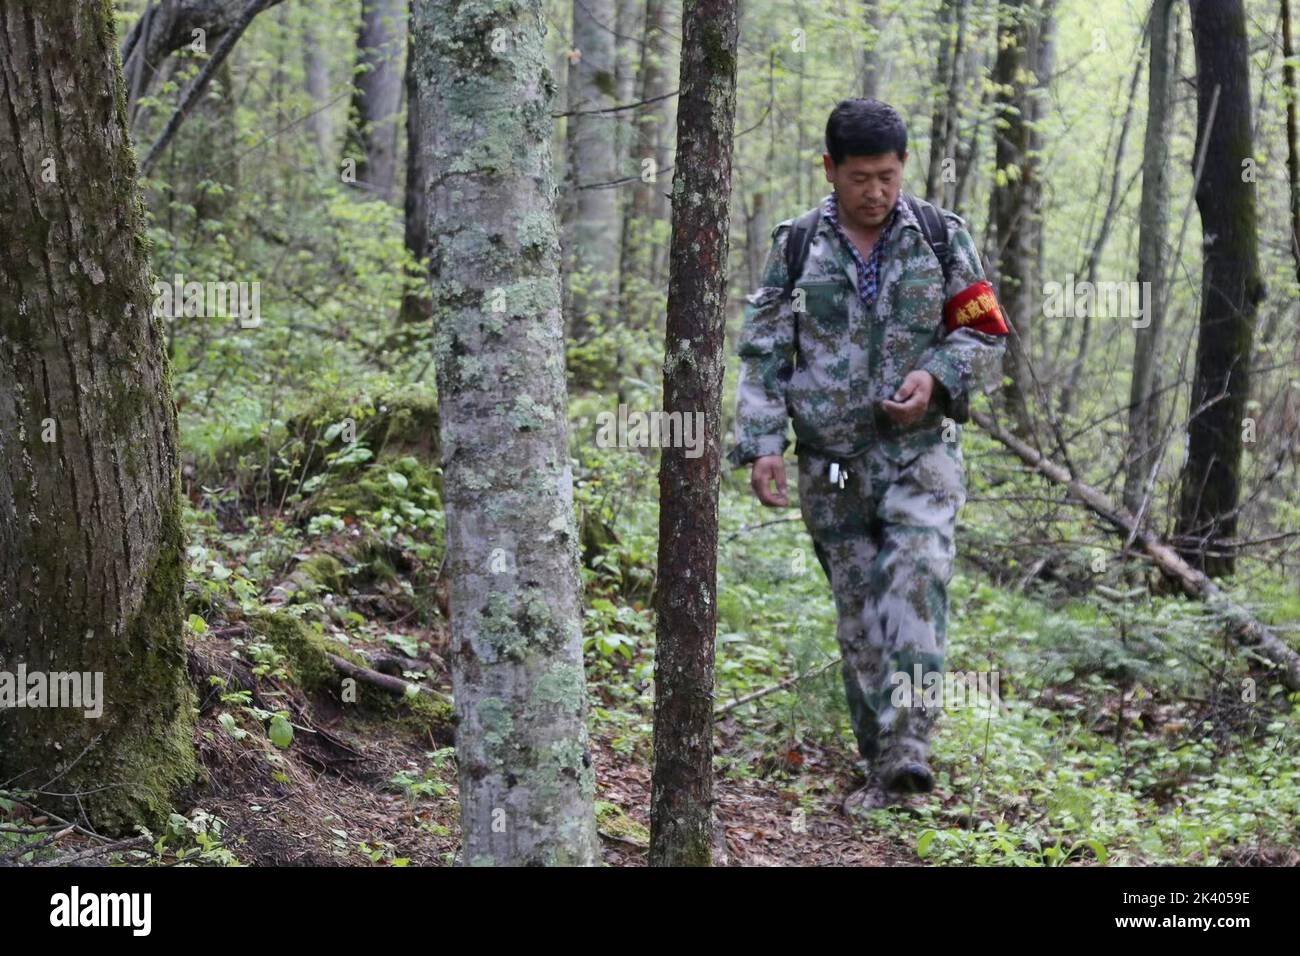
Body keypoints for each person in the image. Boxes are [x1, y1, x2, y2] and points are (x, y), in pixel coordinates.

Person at [726, 98, 1009, 813]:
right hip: (832, 467)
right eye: (860, 177)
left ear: (903, 167)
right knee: (859, 618)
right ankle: (887, 775)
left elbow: (985, 334)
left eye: (887, 175)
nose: (876, 191)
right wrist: (764, 445)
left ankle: (912, 744)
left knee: (915, 578)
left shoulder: (943, 238)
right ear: (830, 170)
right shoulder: (796, 247)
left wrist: (937, 376)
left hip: (922, 453)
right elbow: (762, 349)